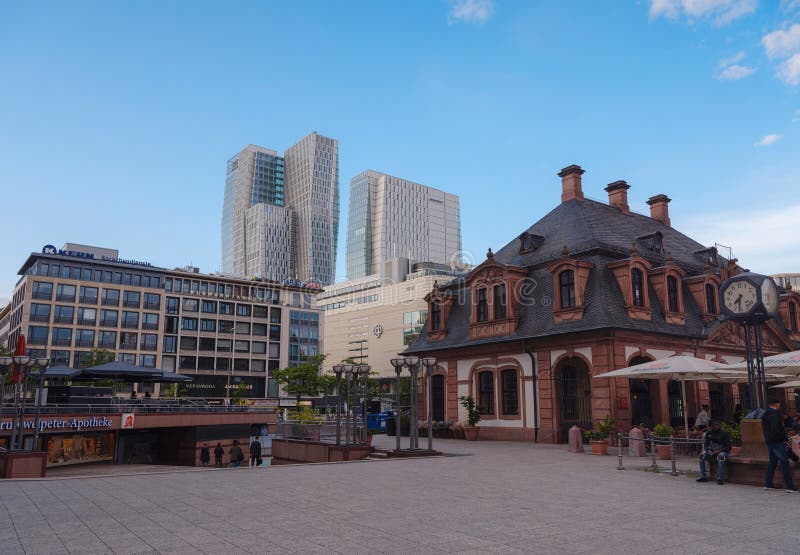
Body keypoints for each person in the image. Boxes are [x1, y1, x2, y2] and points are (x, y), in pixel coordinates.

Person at [762, 400, 797, 492]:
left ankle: (768, 484)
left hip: (770, 441)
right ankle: (789, 486)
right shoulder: (774, 414)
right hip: (777, 442)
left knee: (772, 462)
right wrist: (784, 437)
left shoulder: (765, 414)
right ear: (777, 405)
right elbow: (775, 429)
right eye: (779, 405)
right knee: (784, 462)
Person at [696, 420, 731, 485]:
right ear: (711, 427)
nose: (716, 426)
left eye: (717, 425)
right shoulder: (708, 433)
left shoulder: (724, 433)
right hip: (711, 451)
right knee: (701, 456)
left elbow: (728, 447)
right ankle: (703, 477)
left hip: (722, 451)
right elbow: (706, 445)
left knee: (721, 456)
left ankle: (720, 478)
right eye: (714, 425)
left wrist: (718, 451)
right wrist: (708, 450)